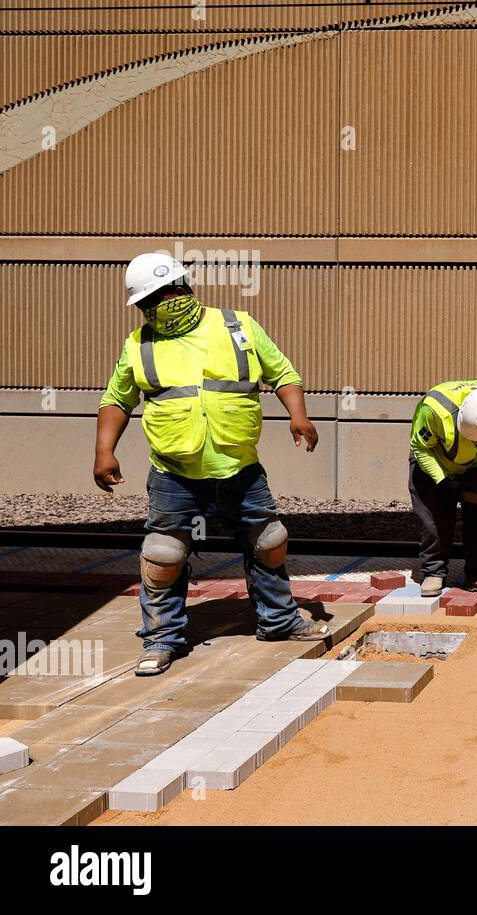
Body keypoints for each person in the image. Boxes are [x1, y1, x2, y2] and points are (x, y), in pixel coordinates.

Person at [94, 252, 326, 676]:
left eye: (165, 292)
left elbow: (283, 372)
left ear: (183, 286)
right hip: (173, 471)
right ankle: (162, 639)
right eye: (150, 299)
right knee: (163, 555)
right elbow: (117, 399)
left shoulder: (237, 325)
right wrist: (104, 449)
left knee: (269, 542)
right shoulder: (139, 344)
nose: (161, 303)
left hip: (240, 465)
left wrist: (298, 414)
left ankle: (279, 621)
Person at [409, 379, 477, 597]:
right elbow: (421, 448)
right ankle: (434, 573)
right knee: (435, 519)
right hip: (434, 460)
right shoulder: (433, 409)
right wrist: (442, 481)